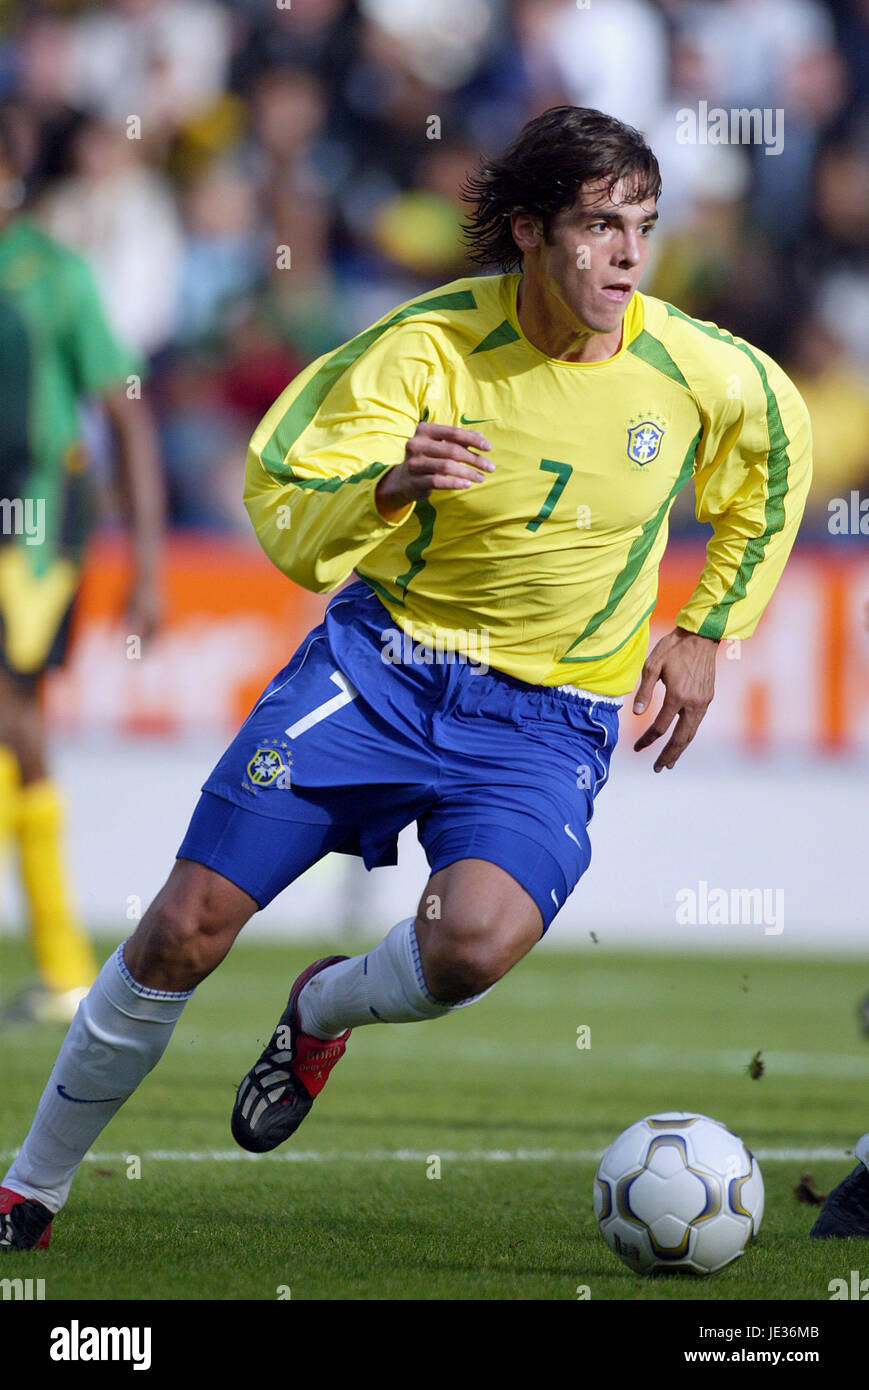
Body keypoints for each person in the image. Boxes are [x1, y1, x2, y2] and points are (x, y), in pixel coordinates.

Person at [1, 106, 813, 1252]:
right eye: (597, 225)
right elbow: (285, 505)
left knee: (470, 942)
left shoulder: (701, 370)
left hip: (548, 718)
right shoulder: (421, 351)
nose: (629, 255)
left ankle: (320, 1008)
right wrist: (385, 487)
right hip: (377, 674)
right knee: (184, 925)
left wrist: (705, 627)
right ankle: (29, 1188)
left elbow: (771, 468)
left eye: (643, 224)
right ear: (528, 232)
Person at [0, 104, 164, 1028]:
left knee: (9, 708)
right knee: (14, 728)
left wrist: (149, 565)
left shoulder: (53, 276)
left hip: (35, 531)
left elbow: (127, 412)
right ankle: (59, 963)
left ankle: (64, 963)